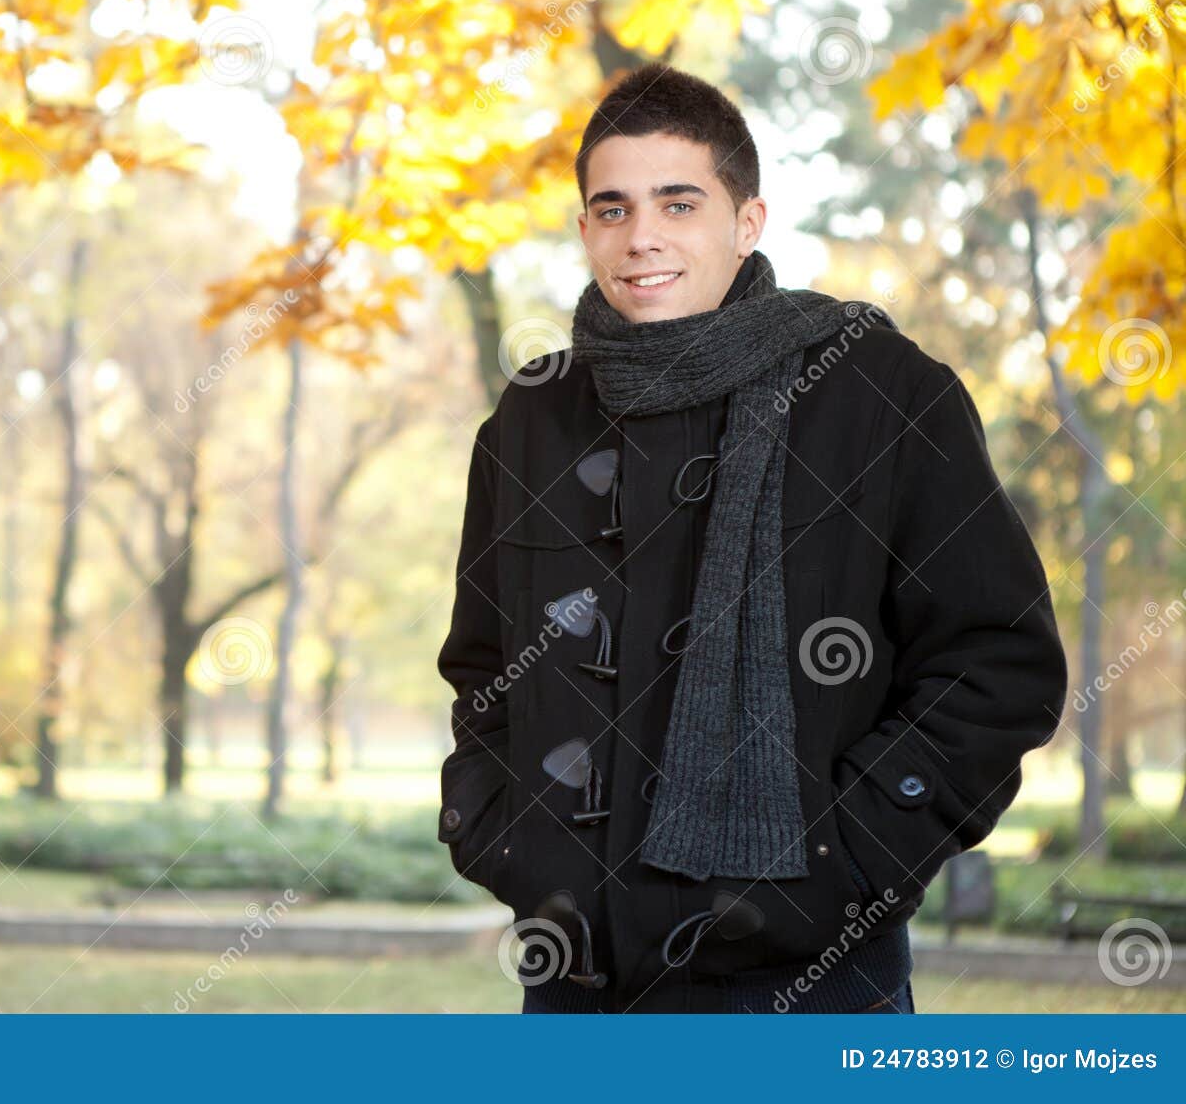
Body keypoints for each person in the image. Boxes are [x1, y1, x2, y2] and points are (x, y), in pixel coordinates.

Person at [434, 62, 1068, 1013]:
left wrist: (842, 858)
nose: (641, 236)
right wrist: (500, 835)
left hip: (809, 982)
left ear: (748, 222)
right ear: (583, 230)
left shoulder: (882, 393)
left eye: (678, 202)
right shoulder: (532, 418)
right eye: (611, 208)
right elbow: (484, 667)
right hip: (577, 985)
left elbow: (999, 665)